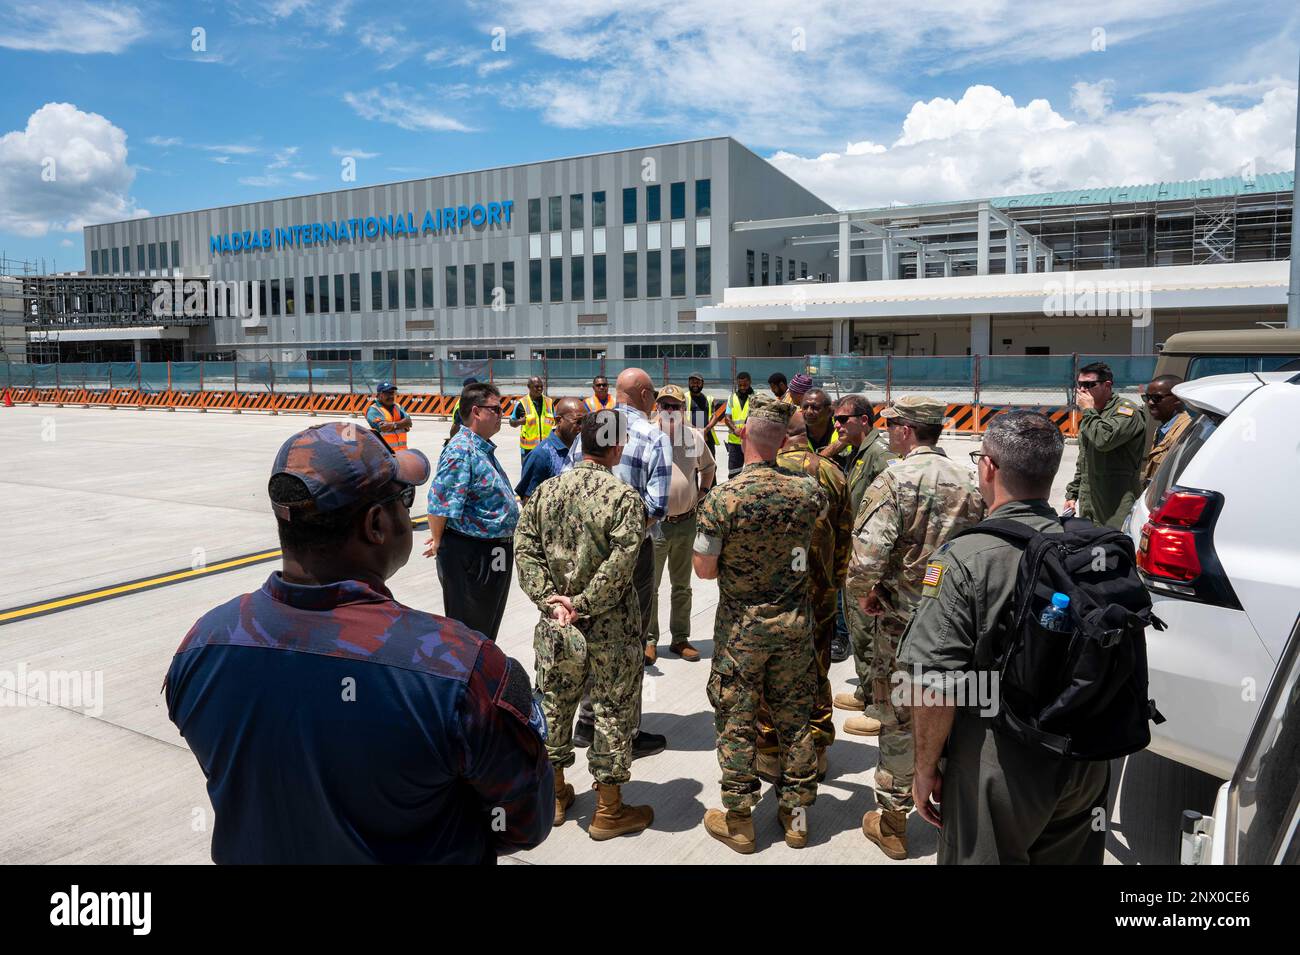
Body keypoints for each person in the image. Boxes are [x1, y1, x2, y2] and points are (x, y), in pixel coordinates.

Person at [165, 422, 552, 863]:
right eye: (403, 499)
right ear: (375, 524)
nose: (409, 512)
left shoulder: (202, 646)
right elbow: (525, 821)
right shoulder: (461, 667)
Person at [899, 411, 1110, 864]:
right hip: (1087, 757)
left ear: (989, 467)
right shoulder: (1087, 549)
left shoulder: (966, 557)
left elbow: (934, 681)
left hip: (1002, 763)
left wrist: (923, 769)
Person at [846, 394, 984, 860]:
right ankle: (955, 814)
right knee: (954, 716)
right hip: (958, 627)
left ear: (907, 430)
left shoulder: (893, 480)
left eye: (892, 424)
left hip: (902, 628)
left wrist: (866, 597)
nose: (887, 431)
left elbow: (865, 561)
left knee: (900, 721)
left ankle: (892, 822)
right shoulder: (971, 478)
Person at [514, 410, 655, 839]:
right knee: (612, 709)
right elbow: (621, 565)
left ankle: (555, 797)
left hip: (558, 626)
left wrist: (553, 602)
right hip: (611, 628)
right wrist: (584, 603)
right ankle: (608, 812)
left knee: (555, 702)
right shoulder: (624, 497)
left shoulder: (546, 492)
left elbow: (524, 550)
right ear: (615, 448)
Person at [694, 398, 826, 853]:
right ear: (782, 439)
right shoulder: (808, 491)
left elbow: (704, 571)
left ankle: (740, 820)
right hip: (793, 627)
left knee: (737, 721)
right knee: (794, 721)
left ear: (745, 435)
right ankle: (798, 817)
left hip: (742, 632)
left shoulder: (723, 499)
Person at [566, 368, 671, 758]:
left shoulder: (591, 430)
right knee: (629, 640)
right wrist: (622, 535)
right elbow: (658, 505)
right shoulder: (654, 437)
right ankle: (626, 728)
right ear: (644, 394)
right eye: (654, 393)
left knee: (587, 630)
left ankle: (587, 721)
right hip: (632, 555)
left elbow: (570, 484)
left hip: (584, 550)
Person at [757, 409, 850, 782]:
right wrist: (835, 584)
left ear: (781, 438)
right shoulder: (832, 472)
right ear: (807, 435)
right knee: (817, 667)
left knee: (770, 672)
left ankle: (770, 752)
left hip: (775, 597)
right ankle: (818, 748)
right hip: (821, 593)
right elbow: (845, 536)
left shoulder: (765, 473)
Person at [425, 381, 519, 642]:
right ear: (477, 412)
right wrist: (439, 540)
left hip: (492, 551)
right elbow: (440, 503)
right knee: (469, 635)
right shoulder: (461, 449)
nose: (502, 415)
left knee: (486, 630)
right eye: (496, 410)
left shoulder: (480, 446)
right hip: (472, 554)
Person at [828, 394, 898, 718]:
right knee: (858, 629)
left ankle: (875, 705)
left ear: (865, 420)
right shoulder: (858, 453)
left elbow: (892, 508)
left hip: (871, 560)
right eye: (836, 420)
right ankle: (865, 690)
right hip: (855, 555)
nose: (837, 425)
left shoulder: (879, 456)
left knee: (868, 631)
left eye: (844, 420)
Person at [648, 384, 716, 662]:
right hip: (656, 525)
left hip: (686, 523)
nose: (670, 410)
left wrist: (701, 494)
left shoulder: (694, 437)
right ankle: (649, 639)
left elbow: (709, 467)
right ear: (658, 408)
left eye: (675, 405)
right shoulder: (647, 436)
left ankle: (680, 639)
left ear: (683, 409)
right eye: (665, 405)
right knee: (650, 586)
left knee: (682, 586)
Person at [1065, 361, 1148, 528]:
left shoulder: (1126, 412)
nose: (1082, 390)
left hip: (1115, 504)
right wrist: (1072, 494)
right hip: (1090, 501)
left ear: (1107, 385)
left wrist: (1088, 410)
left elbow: (1103, 440)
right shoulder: (1093, 415)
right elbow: (1084, 459)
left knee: (1114, 548)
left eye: (1089, 384)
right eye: (1079, 384)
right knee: (1094, 550)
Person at [516, 396, 585, 502]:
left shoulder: (581, 449)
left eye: (585, 421)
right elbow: (528, 501)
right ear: (558, 421)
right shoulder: (541, 455)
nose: (582, 427)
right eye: (578, 422)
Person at [1141, 374, 1192, 485]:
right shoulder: (1164, 429)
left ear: (1178, 399)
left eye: (1156, 398)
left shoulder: (1186, 433)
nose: (1150, 403)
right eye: (1147, 398)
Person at [509, 375, 556, 463]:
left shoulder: (549, 402)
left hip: (547, 447)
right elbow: (511, 422)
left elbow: (556, 422)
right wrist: (519, 422)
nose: (540, 389)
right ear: (529, 387)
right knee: (528, 474)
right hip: (528, 450)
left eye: (541, 386)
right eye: (536, 386)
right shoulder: (521, 403)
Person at [722, 371, 756, 479]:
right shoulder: (732, 398)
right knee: (733, 474)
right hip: (734, 443)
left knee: (752, 474)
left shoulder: (757, 398)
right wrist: (735, 429)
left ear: (750, 382)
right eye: (740, 385)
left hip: (751, 442)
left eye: (745, 385)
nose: (742, 387)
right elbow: (727, 418)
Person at [686, 372, 725, 461]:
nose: (695, 385)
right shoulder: (684, 398)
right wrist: (696, 431)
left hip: (707, 437)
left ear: (702, 384)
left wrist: (705, 430)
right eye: (692, 382)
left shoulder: (708, 399)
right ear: (688, 383)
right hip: (691, 438)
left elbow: (714, 416)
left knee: (711, 467)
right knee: (692, 468)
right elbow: (681, 416)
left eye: (698, 382)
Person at [366, 381, 412, 451]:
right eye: (387, 393)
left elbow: (408, 421)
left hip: (403, 452)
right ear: (379, 395)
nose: (391, 396)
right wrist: (401, 424)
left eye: (392, 393)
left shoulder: (398, 407)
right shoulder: (374, 410)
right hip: (386, 454)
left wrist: (392, 425)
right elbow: (383, 427)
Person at [798, 387, 837, 456]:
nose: (809, 412)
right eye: (805, 407)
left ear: (829, 411)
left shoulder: (842, 431)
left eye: (815, 407)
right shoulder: (794, 432)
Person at [447, 376, 479, 442]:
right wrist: (451, 439)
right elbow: (456, 425)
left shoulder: (474, 400)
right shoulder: (463, 404)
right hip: (463, 437)